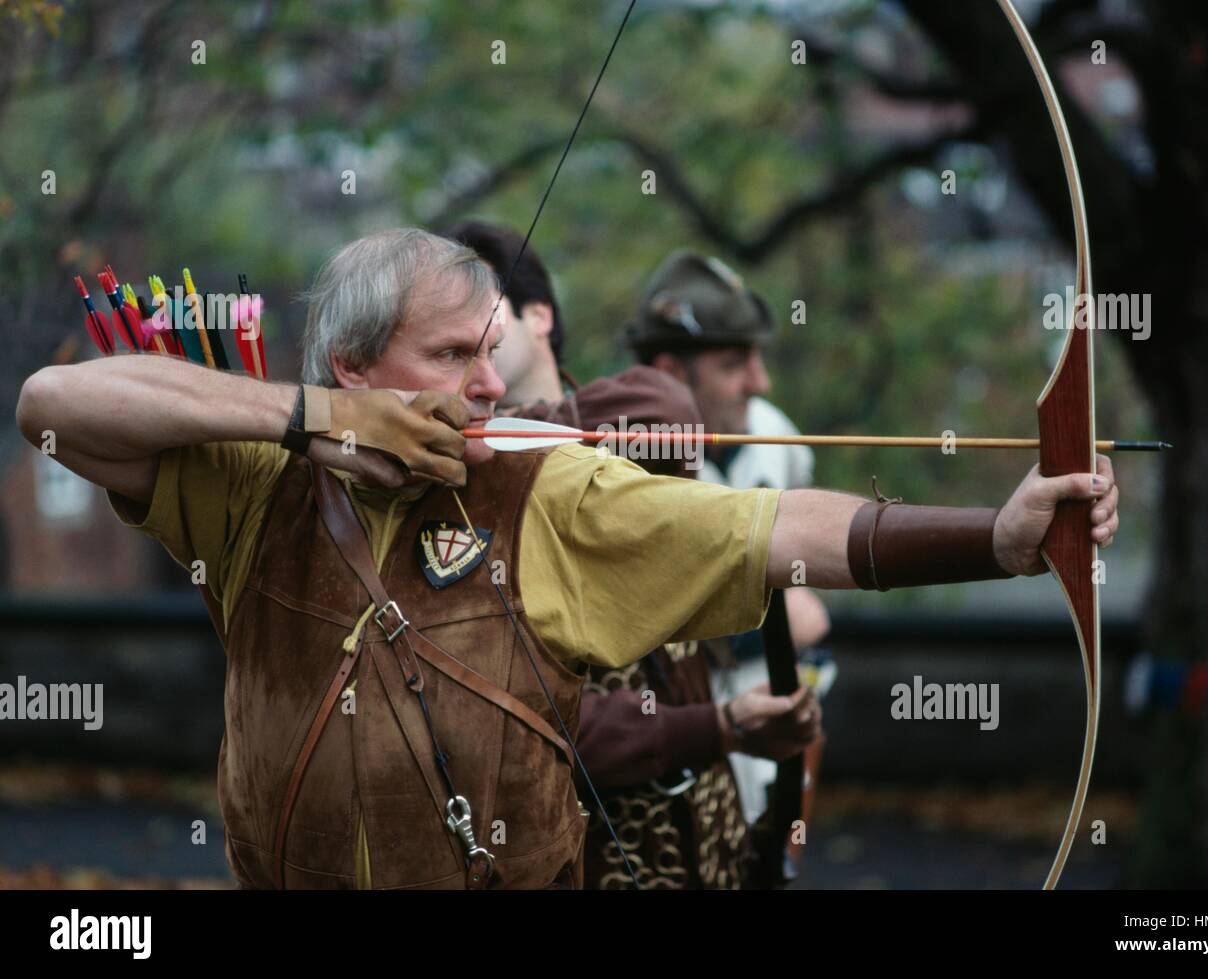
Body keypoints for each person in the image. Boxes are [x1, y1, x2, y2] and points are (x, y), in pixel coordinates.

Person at [15, 228, 1121, 890]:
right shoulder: (254, 488)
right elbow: (52, 406)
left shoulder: (547, 490)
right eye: (452, 356)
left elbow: (775, 530)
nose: (489, 387)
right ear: (353, 366)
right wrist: (308, 423)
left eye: (491, 354)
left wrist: (999, 536)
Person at [442, 220, 820, 888]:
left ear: (540, 317)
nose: (473, 340)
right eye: (446, 333)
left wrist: (511, 438)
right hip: (586, 848)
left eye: (485, 311)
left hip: (707, 830)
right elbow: (535, 720)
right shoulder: (455, 489)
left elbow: (662, 407)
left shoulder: (618, 420)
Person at [625, 250, 832, 827]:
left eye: (757, 358)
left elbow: (806, 591)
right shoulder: (619, 463)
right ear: (669, 372)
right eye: (732, 363)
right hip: (673, 748)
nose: (759, 382)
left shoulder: (777, 435)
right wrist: (781, 619)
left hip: (777, 723)